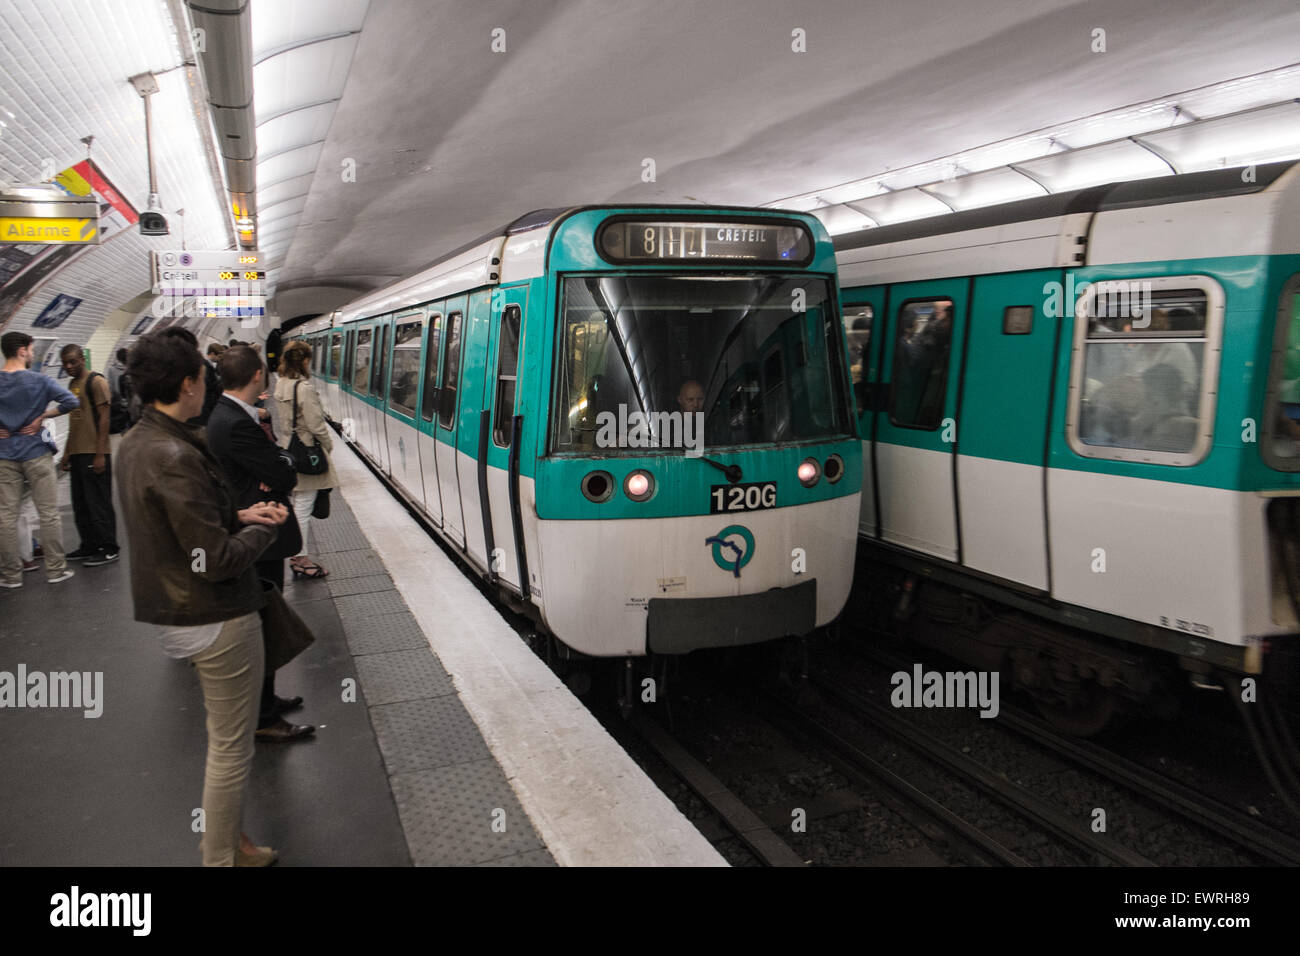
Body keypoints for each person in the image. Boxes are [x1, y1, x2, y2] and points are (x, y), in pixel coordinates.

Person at [116, 331, 287, 866]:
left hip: (180, 605)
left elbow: (175, 521)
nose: (206, 390)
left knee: (224, 736)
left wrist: (238, 515)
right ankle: (222, 858)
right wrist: (268, 528)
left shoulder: (142, 441)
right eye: (202, 381)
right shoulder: (172, 453)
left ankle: (228, 838)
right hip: (213, 613)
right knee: (231, 747)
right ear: (187, 384)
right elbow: (215, 560)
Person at [207, 345, 314, 742]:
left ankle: (267, 701)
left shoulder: (226, 414)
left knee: (264, 616)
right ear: (257, 376)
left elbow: (273, 464)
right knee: (262, 620)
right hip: (258, 533)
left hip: (254, 527)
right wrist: (279, 467)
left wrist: (275, 465)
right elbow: (282, 471)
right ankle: (263, 716)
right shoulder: (235, 423)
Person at [0, 332, 80, 588]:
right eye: (31, 349)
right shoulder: (39, 381)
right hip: (36, 452)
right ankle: (55, 570)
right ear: (23, 351)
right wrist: (43, 416)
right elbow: (71, 401)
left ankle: (11, 576)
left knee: (6, 517)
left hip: (4, 455)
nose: (33, 354)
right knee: (48, 513)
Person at [273, 340, 335, 580]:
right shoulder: (303, 387)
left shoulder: (281, 385)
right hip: (307, 451)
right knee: (304, 507)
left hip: (290, 448)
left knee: (299, 502)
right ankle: (300, 558)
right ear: (305, 360)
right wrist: (327, 447)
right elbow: (316, 424)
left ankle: (298, 555)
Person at [58, 344, 119, 566]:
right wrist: (67, 452)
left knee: (98, 502)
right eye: (65, 363)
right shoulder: (72, 384)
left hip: (95, 451)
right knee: (81, 503)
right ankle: (89, 544)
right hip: (78, 452)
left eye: (73, 361)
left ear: (82, 359)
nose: (69, 366)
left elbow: (104, 419)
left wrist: (101, 453)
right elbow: (74, 421)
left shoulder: (97, 382)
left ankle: (109, 547)